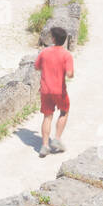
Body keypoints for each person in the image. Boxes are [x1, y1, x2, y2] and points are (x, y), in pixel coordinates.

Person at [33, 28, 74, 157]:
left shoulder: (44, 53)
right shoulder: (66, 55)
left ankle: (44, 146)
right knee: (64, 111)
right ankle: (56, 138)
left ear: (53, 39)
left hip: (45, 90)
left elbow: (37, 66)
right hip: (59, 91)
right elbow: (69, 74)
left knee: (47, 116)